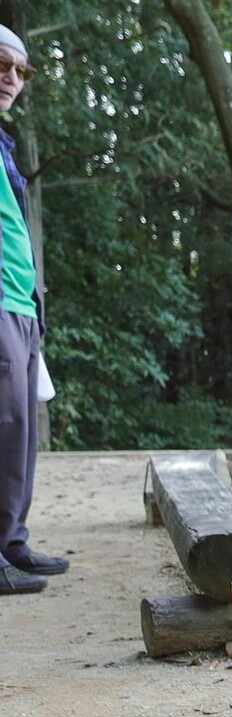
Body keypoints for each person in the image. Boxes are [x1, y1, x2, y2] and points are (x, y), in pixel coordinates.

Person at [0, 25, 61, 597]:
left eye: (22, 70)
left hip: (21, 304)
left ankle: (11, 541)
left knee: (20, 428)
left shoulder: (4, 147)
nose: (13, 78)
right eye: (2, 64)